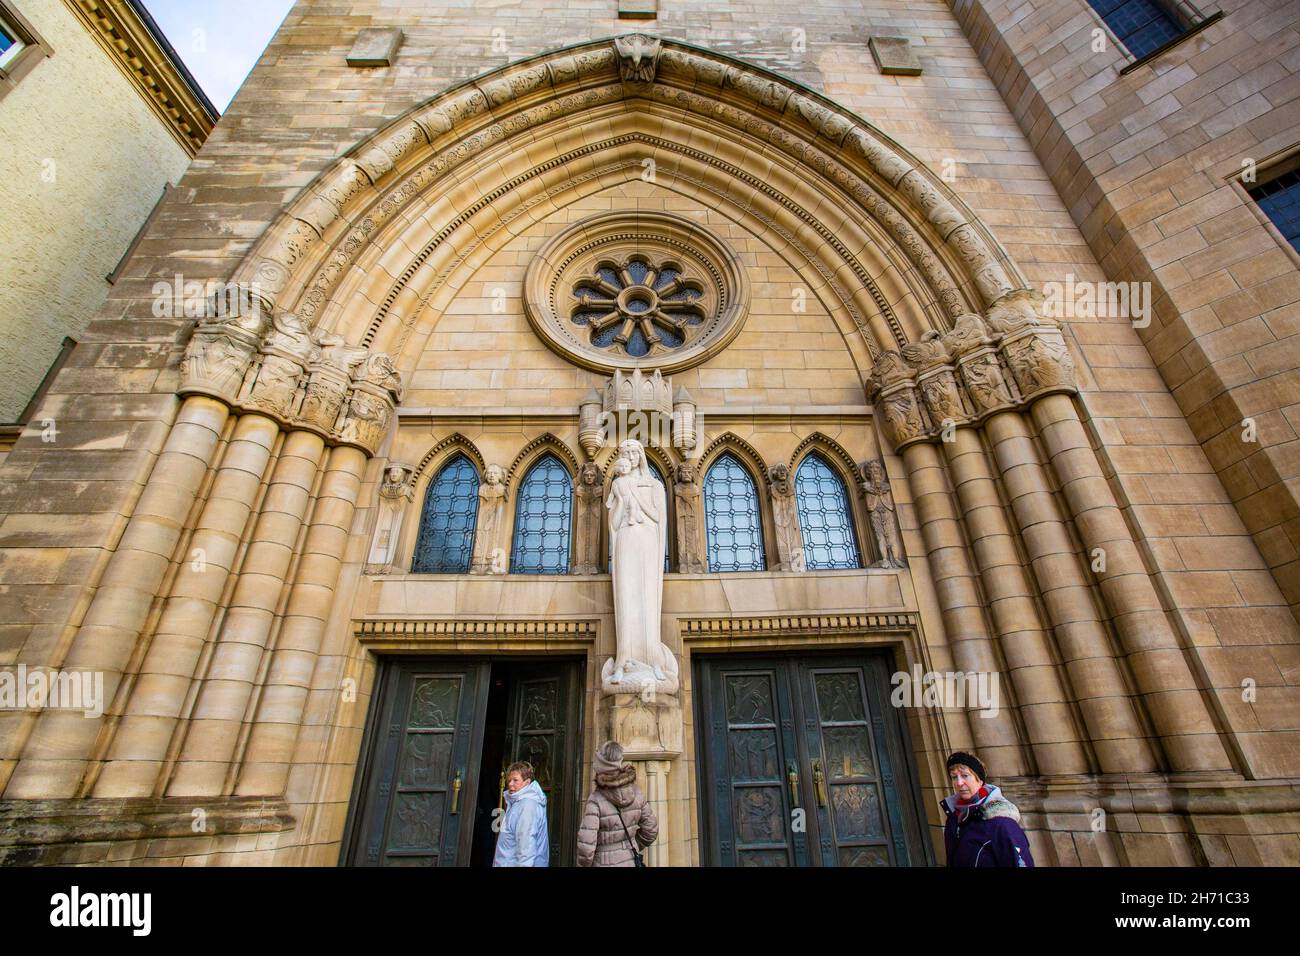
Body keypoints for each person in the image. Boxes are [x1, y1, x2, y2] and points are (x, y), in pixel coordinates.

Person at [941, 751, 1034, 867]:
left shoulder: (1002, 823)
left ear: (979, 780)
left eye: (965, 775)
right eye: (954, 777)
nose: (959, 783)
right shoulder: (954, 820)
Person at [576, 741, 658, 867]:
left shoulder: (595, 799)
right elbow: (651, 830)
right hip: (630, 860)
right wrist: (629, 845)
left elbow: (586, 848)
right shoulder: (636, 792)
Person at [492, 761, 550, 867]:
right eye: (509, 780)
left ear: (527, 782)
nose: (510, 784)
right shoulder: (518, 802)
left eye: (515, 780)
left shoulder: (527, 806)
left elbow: (526, 847)